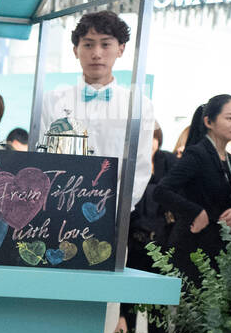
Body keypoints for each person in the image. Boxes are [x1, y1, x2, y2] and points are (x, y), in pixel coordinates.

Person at [40, 10, 156, 208]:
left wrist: (112, 208)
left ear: (121, 49)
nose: (96, 53)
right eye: (88, 44)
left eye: (105, 44)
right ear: (75, 50)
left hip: (112, 212)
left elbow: (139, 166)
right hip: (55, 206)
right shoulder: (52, 100)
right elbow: (41, 157)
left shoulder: (138, 105)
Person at [153, 95, 231, 282]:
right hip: (192, 244)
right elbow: (161, 191)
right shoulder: (196, 154)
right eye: (229, 118)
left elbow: (228, 199)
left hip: (218, 246)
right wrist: (195, 211)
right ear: (209, 121)